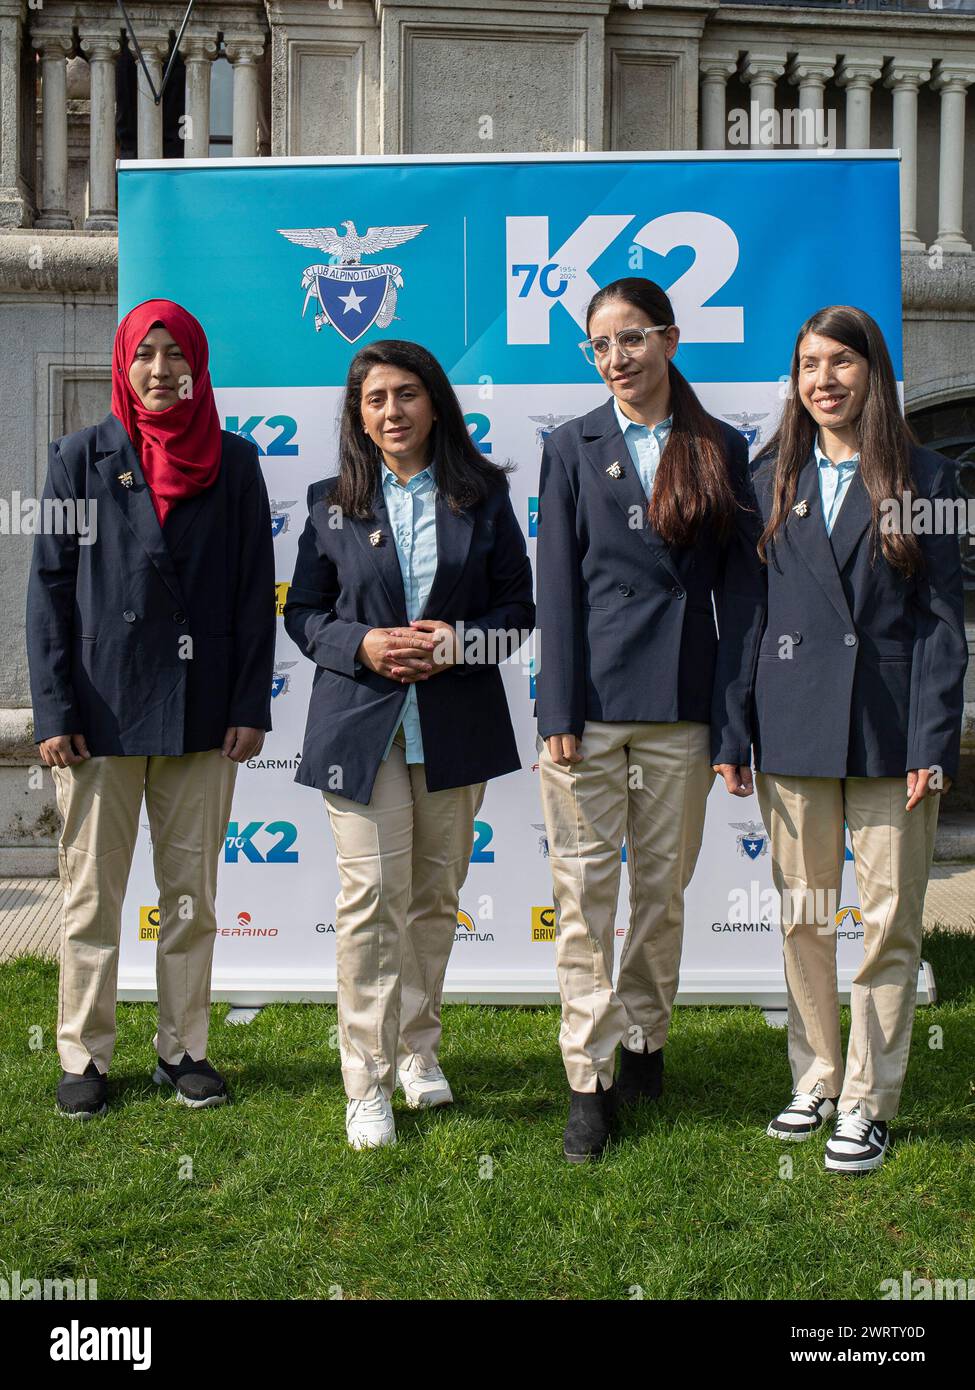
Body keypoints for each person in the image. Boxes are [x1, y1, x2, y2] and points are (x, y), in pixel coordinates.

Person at [534, 277, 765, 1162]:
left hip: (680, 706)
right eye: (599, 345)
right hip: (588, 711)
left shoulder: (722, 446)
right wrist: (557, 704)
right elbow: (555, 585)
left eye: (630, 338)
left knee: (659, 896)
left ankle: (644, 1039)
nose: (616, 358)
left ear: (668, 339)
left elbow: (740, 597)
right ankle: (588, 1080)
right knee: (584, 901)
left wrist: (730, 720)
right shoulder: (569, 446)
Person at [28, 298, 276, 1118]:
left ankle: (184, 1050)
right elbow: (50, 593)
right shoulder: (79, 457)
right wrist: (56, 710)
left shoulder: (235, 463)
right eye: (146, 355)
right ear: (124, 365)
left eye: (175, 355)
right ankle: (85, 1057)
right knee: (93, 897)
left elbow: (250, 596)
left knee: (190, 899)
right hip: (99, 717)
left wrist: (249, 703)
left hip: (202, 714)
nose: (161, 371)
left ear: (197, 365)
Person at [284, 339, 534, 1150]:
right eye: (374, 399)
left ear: (434, 403)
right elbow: (304, 615)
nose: (391, 411)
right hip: (360, 729)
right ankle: (366, 1080)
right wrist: (361, 645)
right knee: (369, 904)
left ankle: (417, 1050)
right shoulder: (330, 503)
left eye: (404, 394)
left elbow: (518, 617)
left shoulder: (484, 497)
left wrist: (460, 643)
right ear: (358, 415)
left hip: (454, 730)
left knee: (431, 901)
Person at [742, 304, 967, 1173]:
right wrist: (737, 729)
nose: (823, 380)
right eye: (807, 365)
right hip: (792, 731)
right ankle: (816, 1076)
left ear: (872, 372)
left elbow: (943, 624)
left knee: (886, 927)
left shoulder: (929, 478)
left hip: (889, 735)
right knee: (802, 916)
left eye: (840, 362)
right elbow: (750, 621)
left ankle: (868, 1101)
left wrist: (930, 744)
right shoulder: (768, 475)